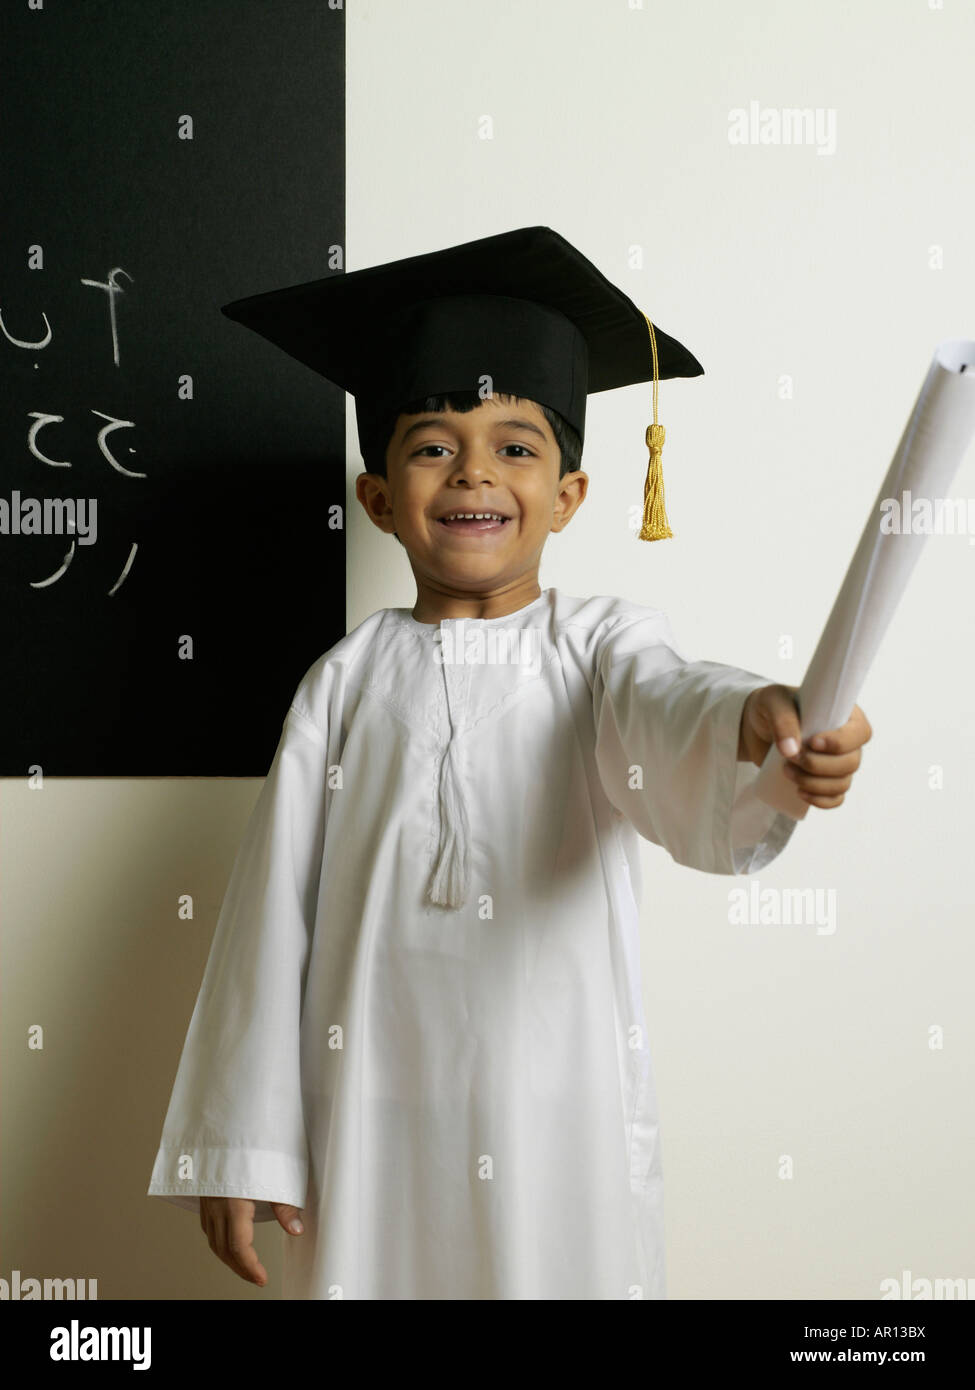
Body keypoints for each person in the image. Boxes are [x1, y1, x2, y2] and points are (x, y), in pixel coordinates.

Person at [146, 226, 872, 1299]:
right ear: (381, 497)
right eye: (433, 443)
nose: (475, 470)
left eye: (517, 446)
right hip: (370, 1116)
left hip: (558, 1117)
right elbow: (270, 919)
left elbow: (674, 703)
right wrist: (248, 1144)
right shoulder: (343, 685)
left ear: (570, 496)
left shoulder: (597, 651)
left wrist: (756, 721)